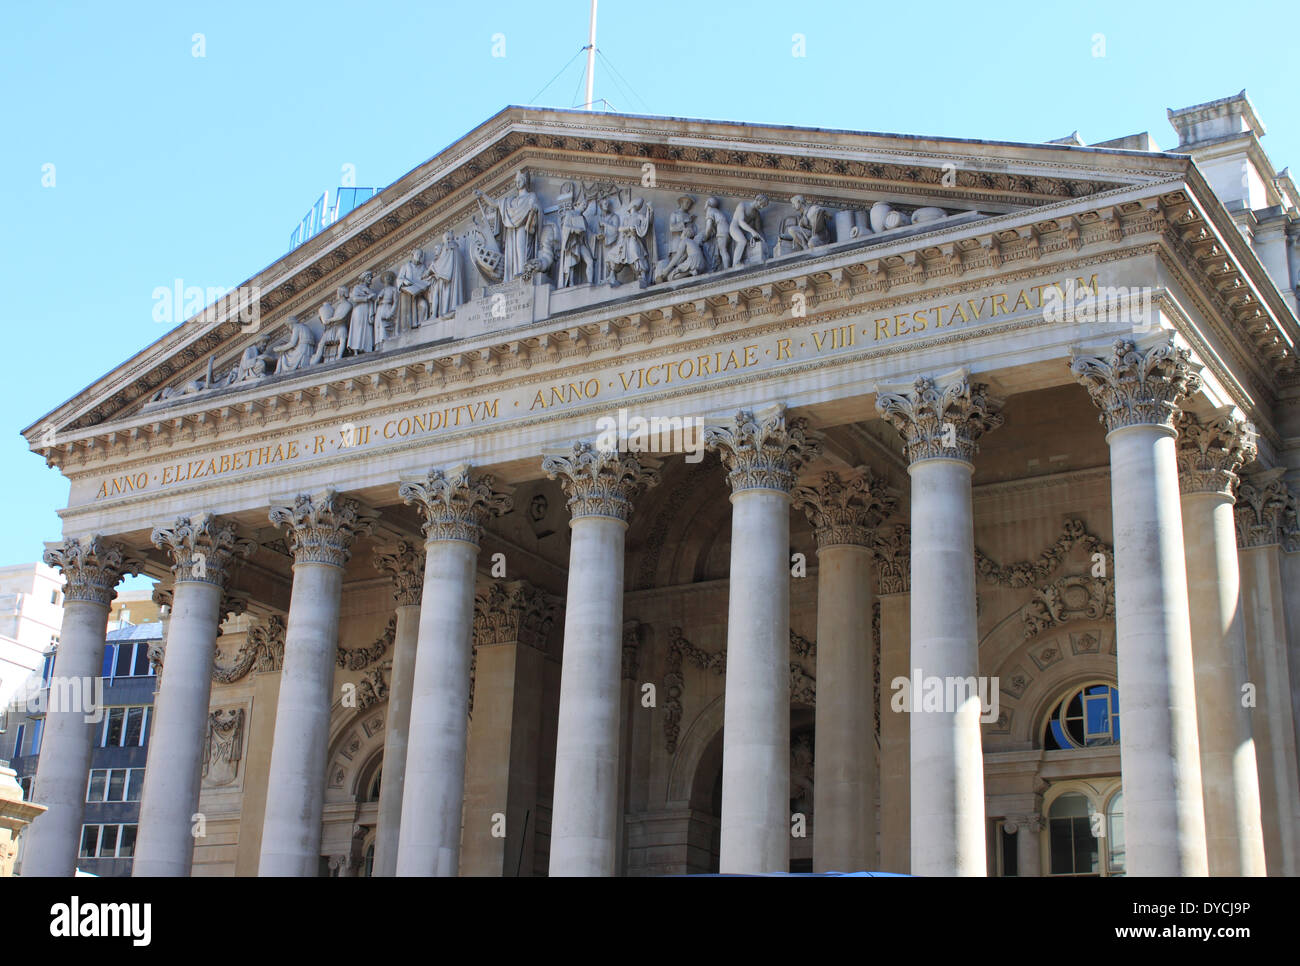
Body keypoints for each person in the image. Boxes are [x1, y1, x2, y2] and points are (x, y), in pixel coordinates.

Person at [424, 232, 466, 317]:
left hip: (448, 281)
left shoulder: (448, 248)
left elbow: (442, 264)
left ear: (447, 239)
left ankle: (447, 311)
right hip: (453, 280)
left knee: (446, 293)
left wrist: (431, 268)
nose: (443, 243)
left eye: (443, 241)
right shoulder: (457, 250)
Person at [728, 193, 769, 267]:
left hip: (745, 231)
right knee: (742, 241)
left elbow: (759, 230)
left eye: (763, 206)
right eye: (761, 204)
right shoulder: (742, 205)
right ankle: (736, 263)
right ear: (757, 200)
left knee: (753, 241)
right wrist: (753, 232)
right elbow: (741, 222)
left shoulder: (756, 214)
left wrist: (764, 241)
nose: (761, 207)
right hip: (735, 228)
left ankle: (749, 259)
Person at [346, 271, 378, 355]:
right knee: (358, 328)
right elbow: (354, 299)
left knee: (367, 328)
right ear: (364, 279)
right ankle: (356, 349)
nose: (370, 279)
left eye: (371, 277)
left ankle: (365, 348)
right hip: (359, 310)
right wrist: (367, 298)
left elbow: (375, 298)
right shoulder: (357, 288)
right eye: (368, 277)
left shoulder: (370, 290)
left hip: (367, 310)